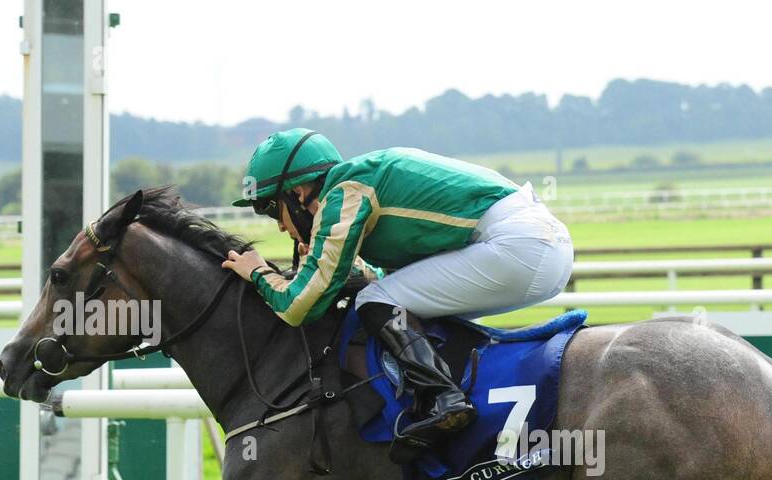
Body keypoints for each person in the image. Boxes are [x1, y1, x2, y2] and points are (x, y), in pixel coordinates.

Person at [222, 128, 574, 448]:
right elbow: (388, 279)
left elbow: (300, 306)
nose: (281, 228)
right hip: (540, 244)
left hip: (520, 245)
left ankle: (443, 399)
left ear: (298, 193)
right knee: (388, 300)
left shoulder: (343, 191)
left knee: (375, 301)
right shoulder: (358, 184)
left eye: (272, 211)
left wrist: (258, 272)